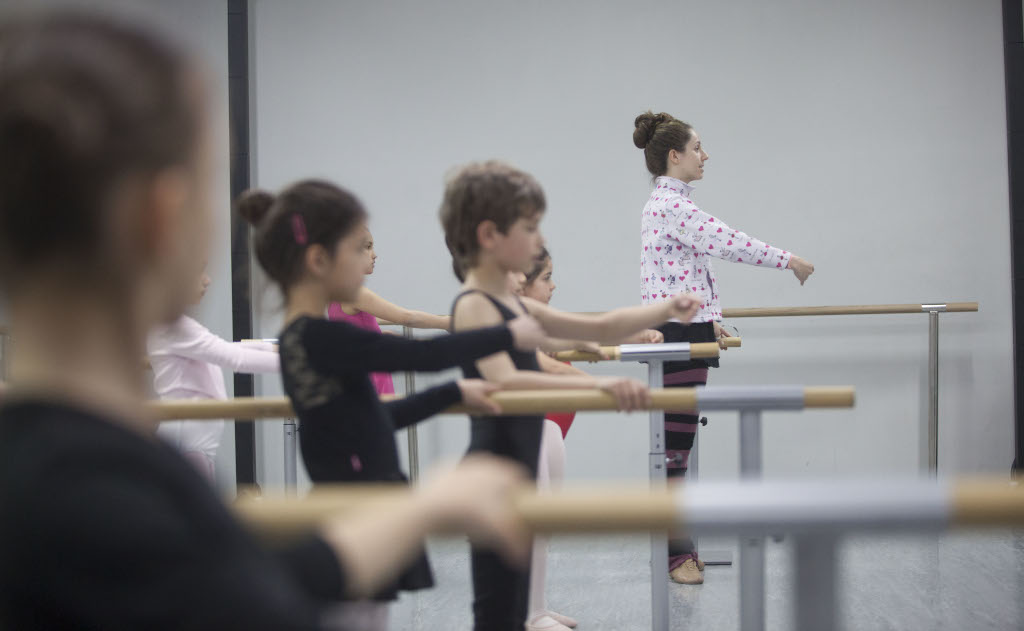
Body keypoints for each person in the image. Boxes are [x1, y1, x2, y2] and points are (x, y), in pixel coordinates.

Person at [0, 14, 531, 629]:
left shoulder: (63, 467)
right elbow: (237, 602)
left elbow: (214, 581)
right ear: (161, 218)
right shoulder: (98, 487)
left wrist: (422, 508)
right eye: (207, 187)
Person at [239, 180, 547, 629]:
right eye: (356, 248)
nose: (368, 263)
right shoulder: (321, 337)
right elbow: (420, 356)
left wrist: (453, 393)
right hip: (355, 511)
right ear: (319, 259)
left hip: (361, 504)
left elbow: (375, 419)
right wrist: (508, 333)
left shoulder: (302, 339)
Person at [441, 160, 699, 631]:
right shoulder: (474, 305)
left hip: (526, 440)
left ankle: (534, 611)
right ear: (490, 236)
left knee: (527, 550)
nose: (538, 240)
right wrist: (596, 384)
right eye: (529, 228)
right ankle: (525, 615)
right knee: (496, 593)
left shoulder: (509, 303)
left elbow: (589, 328)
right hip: (499, 456)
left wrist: (664, 307)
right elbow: (506, 378)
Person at [633, 110, 815, 584]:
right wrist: (788, 259)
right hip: (676, 337)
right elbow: (727, 242)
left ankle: (679, 549)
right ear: (675, 156)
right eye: (697, 148)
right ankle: (677, 556)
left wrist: (709, 320)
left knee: (679, 447)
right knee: (675, 449)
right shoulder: (673, 207)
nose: (705, 155)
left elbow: (685, 273)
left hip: (683, 330)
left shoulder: (665, 205)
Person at [148, 266, 279, 478]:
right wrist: (293, 360)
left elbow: (224, 348)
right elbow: (234, 358)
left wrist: (272, 348)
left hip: (193, 441)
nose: (207, 280)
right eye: (198, 270)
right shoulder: (174, 327)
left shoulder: (175, 325)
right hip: (188, 442)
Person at [327, 227, 450, 396]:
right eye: (368, 247)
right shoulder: (355, 293)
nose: (374, 254)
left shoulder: (335, 292)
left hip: (356, 378)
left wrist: (380, 337)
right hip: (370, 380)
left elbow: (353, 335)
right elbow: (407, 317)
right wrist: (447, 322)